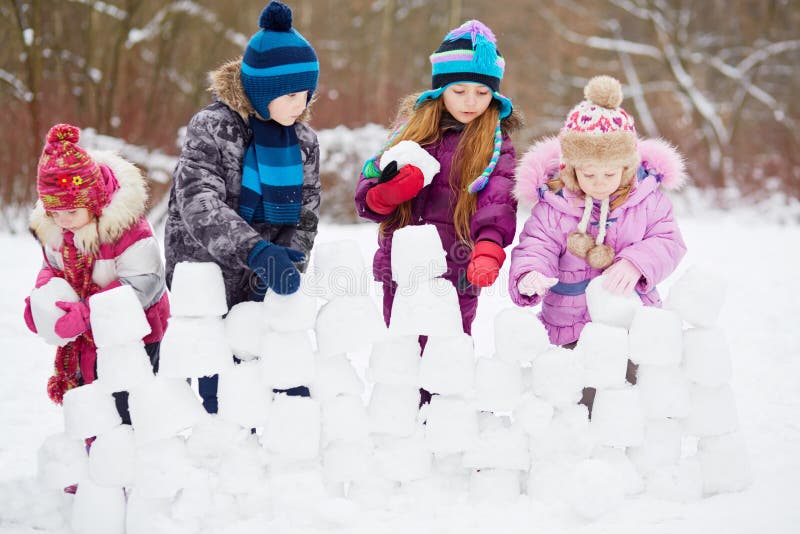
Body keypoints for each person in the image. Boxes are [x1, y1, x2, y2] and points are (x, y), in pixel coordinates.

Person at [163, 1, 321, 411]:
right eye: (290, 95)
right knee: (217, 390)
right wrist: (256, 252)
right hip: (208, 274)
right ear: (262, 91)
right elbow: (199, 201)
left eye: (307, 93)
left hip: (264, 275)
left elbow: (306, 211)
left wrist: (286, 262)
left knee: (267, 379)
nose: (300, 104)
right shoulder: (212, 128)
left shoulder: (304, 141)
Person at [354, 20, 521, 404]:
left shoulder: (496, 143)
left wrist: (489, 247)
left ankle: (445, 417)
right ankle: (401, 417)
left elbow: (498, 200)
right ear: (440, 89)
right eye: (459, 90)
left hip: (459, 267)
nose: (470, 101)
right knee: (404, 352)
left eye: (482, 92)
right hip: (404, 268)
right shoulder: (408, 133)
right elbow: (367, 191)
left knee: (447, 353)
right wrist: (386, 194)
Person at [508, 75, 687, 411]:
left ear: (627, 167)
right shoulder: (554, 205)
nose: (600, 183)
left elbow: (668, 240)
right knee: (577, 405)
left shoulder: (648, 200)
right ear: (571, 169)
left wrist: (637, 262)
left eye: (610, 174)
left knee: (628, 401)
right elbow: (536, 244)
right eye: (589, 174)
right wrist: (530, 272)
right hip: (569, 325)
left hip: (628, 323)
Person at [25, 123, 170, 421]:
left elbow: (143, 285)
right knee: (92, 410)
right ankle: (94, 446)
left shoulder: (128, 231)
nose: (63, 220)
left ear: (93, 201)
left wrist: (86, 313)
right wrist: (42, 303)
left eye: (71, 211)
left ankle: (131, 445)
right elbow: (52, 269)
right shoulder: (56, 231)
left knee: (128, 412)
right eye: (55, 212)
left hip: (136, 337)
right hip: (84, 340)